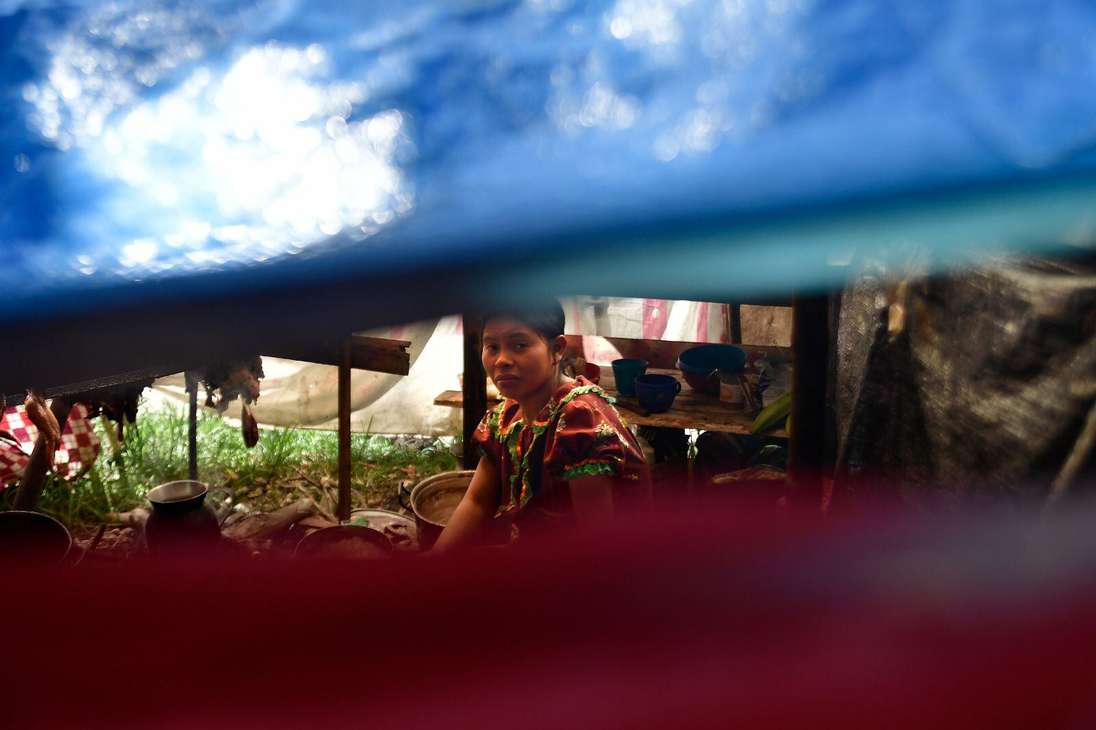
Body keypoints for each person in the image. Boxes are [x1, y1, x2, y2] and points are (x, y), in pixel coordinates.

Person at [434, 299, 650, 550]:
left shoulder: (579, 422)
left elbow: (596, 542)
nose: (501, 360)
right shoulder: (506, 417)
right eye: (492, 347)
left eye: (519, 345)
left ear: (557, 349)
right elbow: (477, 501)